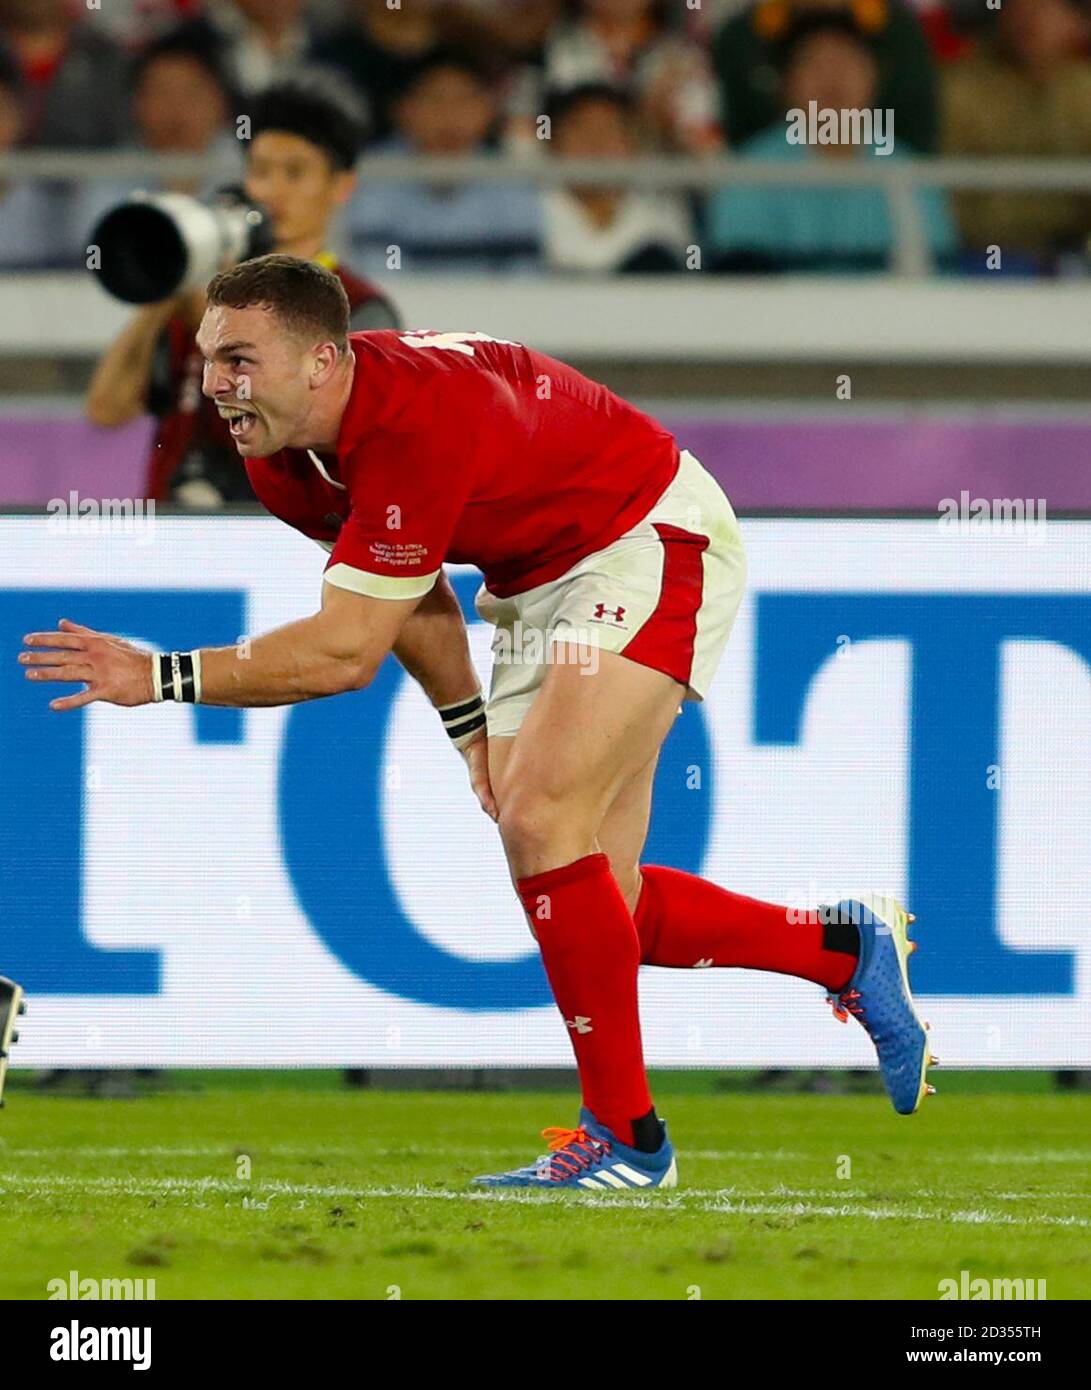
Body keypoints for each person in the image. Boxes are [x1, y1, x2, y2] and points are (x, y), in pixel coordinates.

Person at [22, 254, 936, 1190]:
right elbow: (406, 592)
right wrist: (469, 732)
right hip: (538, 582)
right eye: (213, 357)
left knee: (541, 823)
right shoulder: (285, 459)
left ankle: (626, 1139)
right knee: (594, 895)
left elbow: (345, 652)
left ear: (323, 363)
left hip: (644, 538)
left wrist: (160, 674)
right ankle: (836, 946)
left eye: (242, 359)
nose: (216, 381)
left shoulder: (410, 423)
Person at [85, 73, 398, 506]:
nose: (273, 191)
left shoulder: (360, 307)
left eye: (295, 172)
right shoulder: (204, 292)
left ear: (341, 186)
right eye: (260, 171)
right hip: (171, 540)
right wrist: (171, 277)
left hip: (282, 539)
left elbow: (349, 440)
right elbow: (107, 408)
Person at [706, 10, 958, 273]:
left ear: (874, 78)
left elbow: (940, 279)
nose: (832, 78)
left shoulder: (911, 176)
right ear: (786, 84)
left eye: (847, 61)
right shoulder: (750, 174)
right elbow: (737, 287)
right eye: (814, 63)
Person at [345, 53, 541, 275]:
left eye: (463, 100)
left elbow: (523, 275)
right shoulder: (373, 174)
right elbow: (377, 271)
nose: (449, 115)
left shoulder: (510, 178)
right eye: (434, 99)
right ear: (403, 109)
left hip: (494, 307)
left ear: (488, 110)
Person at [942, 0, 1091, 264]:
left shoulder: (1083, 93)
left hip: (1073, 268)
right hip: (976, 265)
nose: (1029, 17)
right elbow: (943, 202)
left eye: (1047, 7)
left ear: (1078, 23)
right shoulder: (956, 91)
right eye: (1018, 4)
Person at [541, 83, 694, 274]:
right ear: (554, 143)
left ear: (634, 144)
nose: (596, 144)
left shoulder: (662, 213)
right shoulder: (530, 213)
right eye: (581, 129)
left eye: (609, 129)